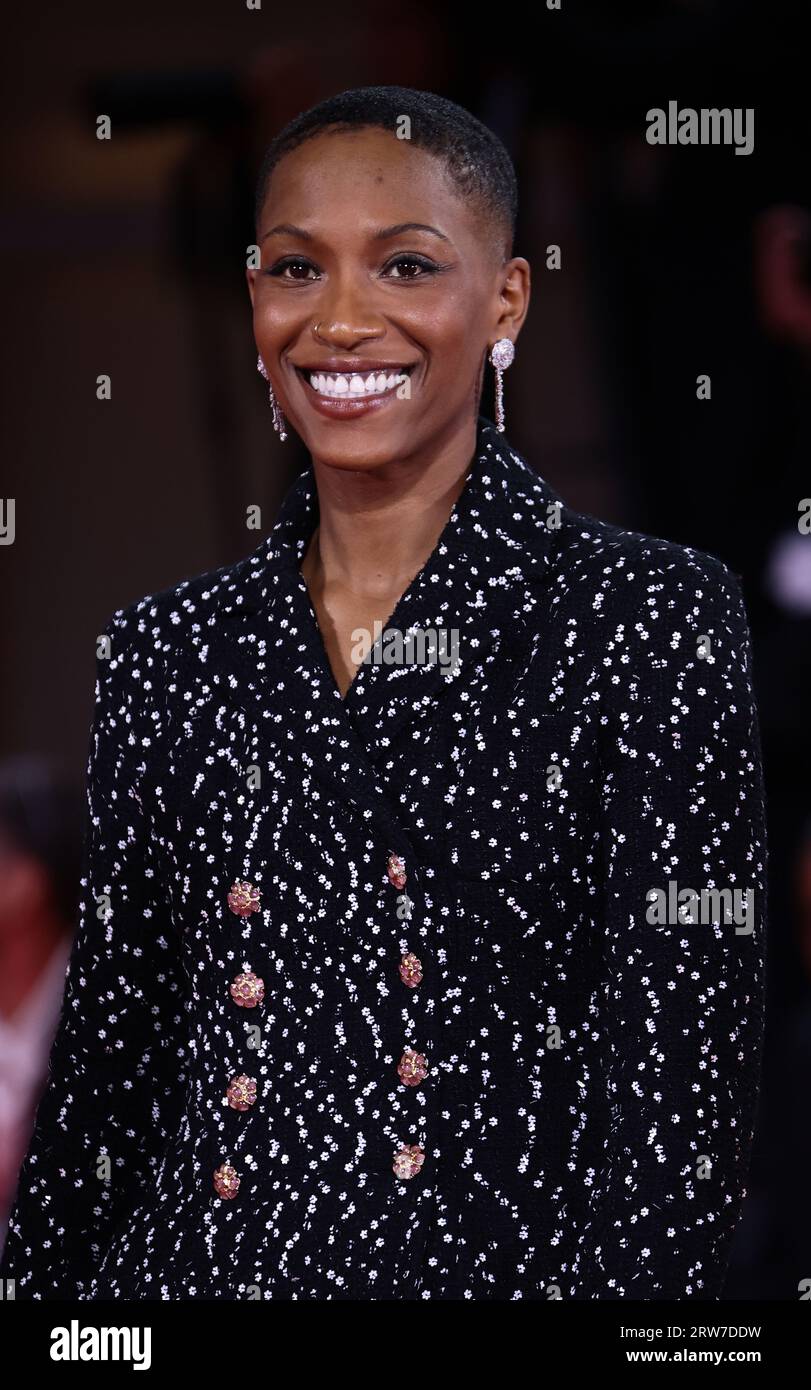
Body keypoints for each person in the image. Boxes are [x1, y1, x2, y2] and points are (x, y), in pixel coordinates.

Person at [0, 85, 767, 1301]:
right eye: (296, 270)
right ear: (255, 297)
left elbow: (679, 1094)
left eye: (406, 267)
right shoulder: (167, 647)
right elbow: (109, 1076)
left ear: (504, 299)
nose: (342, 320)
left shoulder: (645, 618)